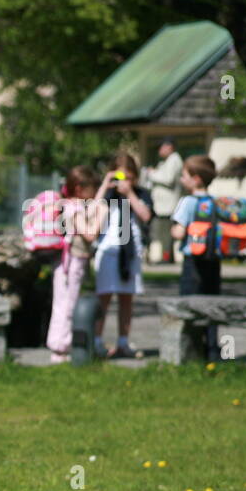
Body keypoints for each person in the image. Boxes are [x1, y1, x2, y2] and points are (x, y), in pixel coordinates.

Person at [93, 153, 152, 358]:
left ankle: (123, 341)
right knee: (103, 298)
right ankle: (97, 341)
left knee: (126, 298)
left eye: (128, 177)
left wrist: (130, 195)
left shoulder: (141, 193)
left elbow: (145, 216)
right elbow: (92, 211)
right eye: (120, 177)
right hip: (109, 250)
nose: (124, 182)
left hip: (130, 252)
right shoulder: (108, 195)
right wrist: (105, 185)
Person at [45, 166, 104, 364]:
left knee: (61, 303)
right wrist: (100, 217)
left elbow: (96, 204)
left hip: (64, 262)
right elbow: (89, 234)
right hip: (72, 262)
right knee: (68, 305)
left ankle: (59, 346)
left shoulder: (68, 204)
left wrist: (106, 184)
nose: (95, 192)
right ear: (80, 189)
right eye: (92, 188)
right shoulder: (75, 208)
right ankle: (62, 347)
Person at [170, 155, 223, 361]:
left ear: (197, 179)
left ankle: (191, 350)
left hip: (193, 261)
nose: (182, 180)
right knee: (212, 303)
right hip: (213, 260)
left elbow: (179, 232)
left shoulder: (187, 202)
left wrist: (173, 228)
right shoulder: (214, 202)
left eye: (185, 176)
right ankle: (212, 349)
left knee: (190, 302)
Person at [143, 139, 183, 263]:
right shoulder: (167, 161)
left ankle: (166, 258)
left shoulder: (175, 159)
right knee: (162, 233)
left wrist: (151, 174)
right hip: (161, 206)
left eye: (161, 147)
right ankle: (165, 257)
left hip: (167, 206)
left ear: (169, 146)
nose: (159, 151)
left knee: (165, 234)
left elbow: (168, 179)